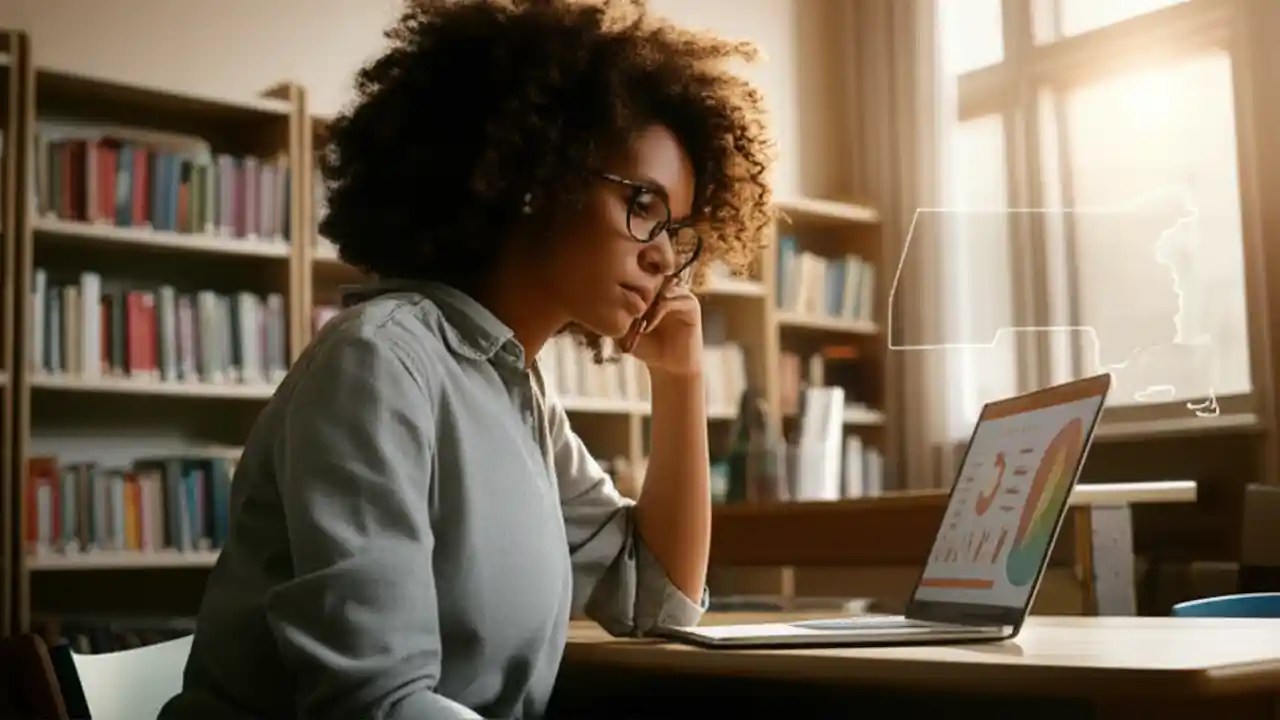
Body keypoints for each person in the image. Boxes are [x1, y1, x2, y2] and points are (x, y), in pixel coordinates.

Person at [159, 0, 774, 717]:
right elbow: (375, 703)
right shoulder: (381, 363)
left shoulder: (513, 388)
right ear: (535, 175)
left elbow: (659, 599)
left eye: (675, 229)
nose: (664, 254)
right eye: (642, 203)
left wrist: (681, 381)